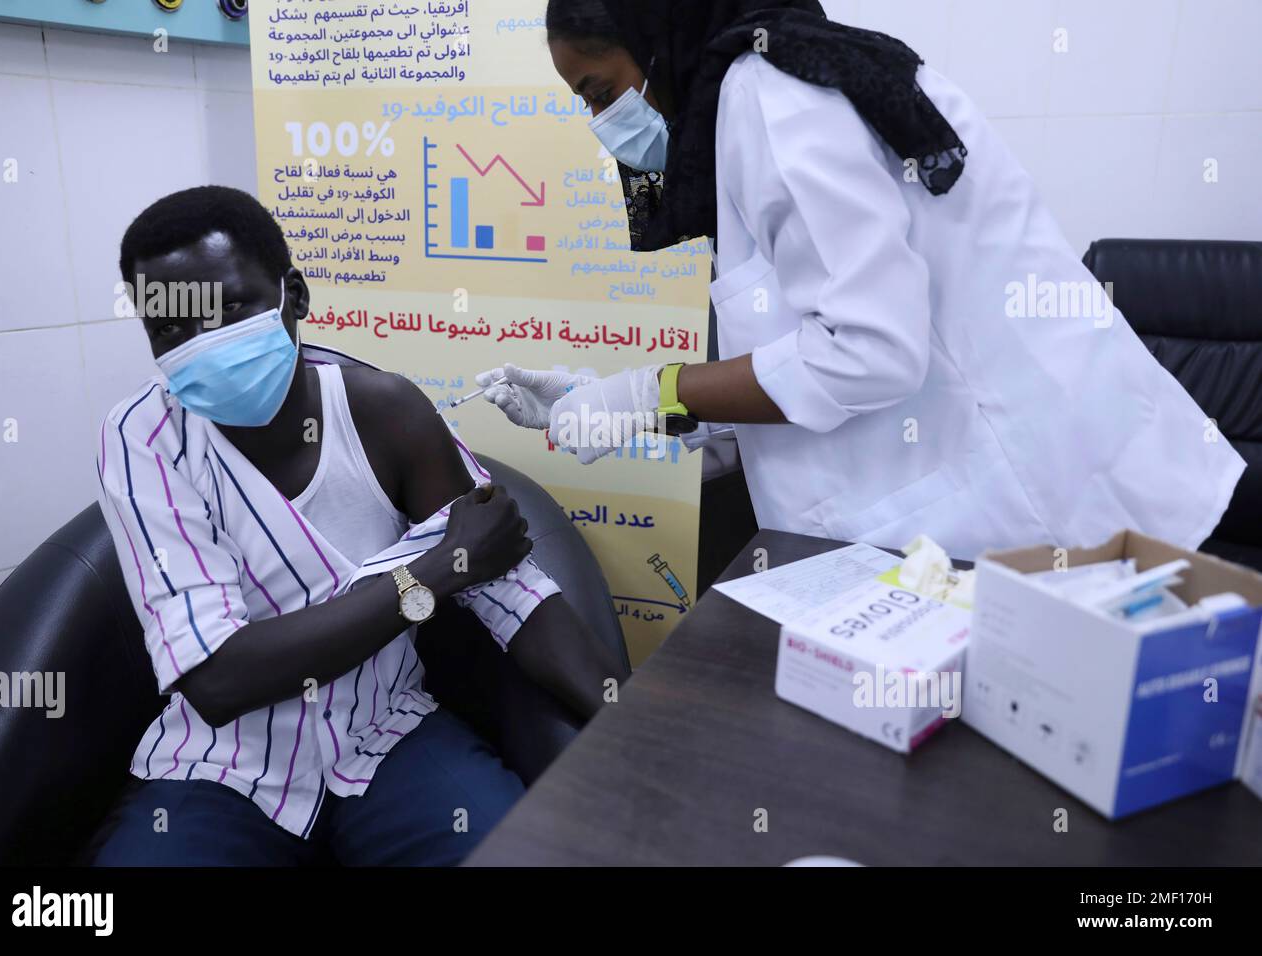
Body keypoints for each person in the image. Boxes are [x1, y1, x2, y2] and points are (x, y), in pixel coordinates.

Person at [476, 0, 1243, 559]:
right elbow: (799, 350)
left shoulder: (771, 97)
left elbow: (870, 352)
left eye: (601, 92)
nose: (603, 124)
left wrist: (650, 391)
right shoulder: (768, 89)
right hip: (998, 493)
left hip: (1028, 505)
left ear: (659, 31)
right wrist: (613, 405)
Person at [91, 186, 627, 866]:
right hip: (223, 767)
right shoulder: (142, 439)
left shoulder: (386, 414)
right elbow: (219, 679)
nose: (204, 345)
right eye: (170, 328)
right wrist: (431, 571)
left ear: (294, 296)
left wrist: (637, 726)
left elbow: (511, 593)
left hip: (387, 736)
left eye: (229, 311)